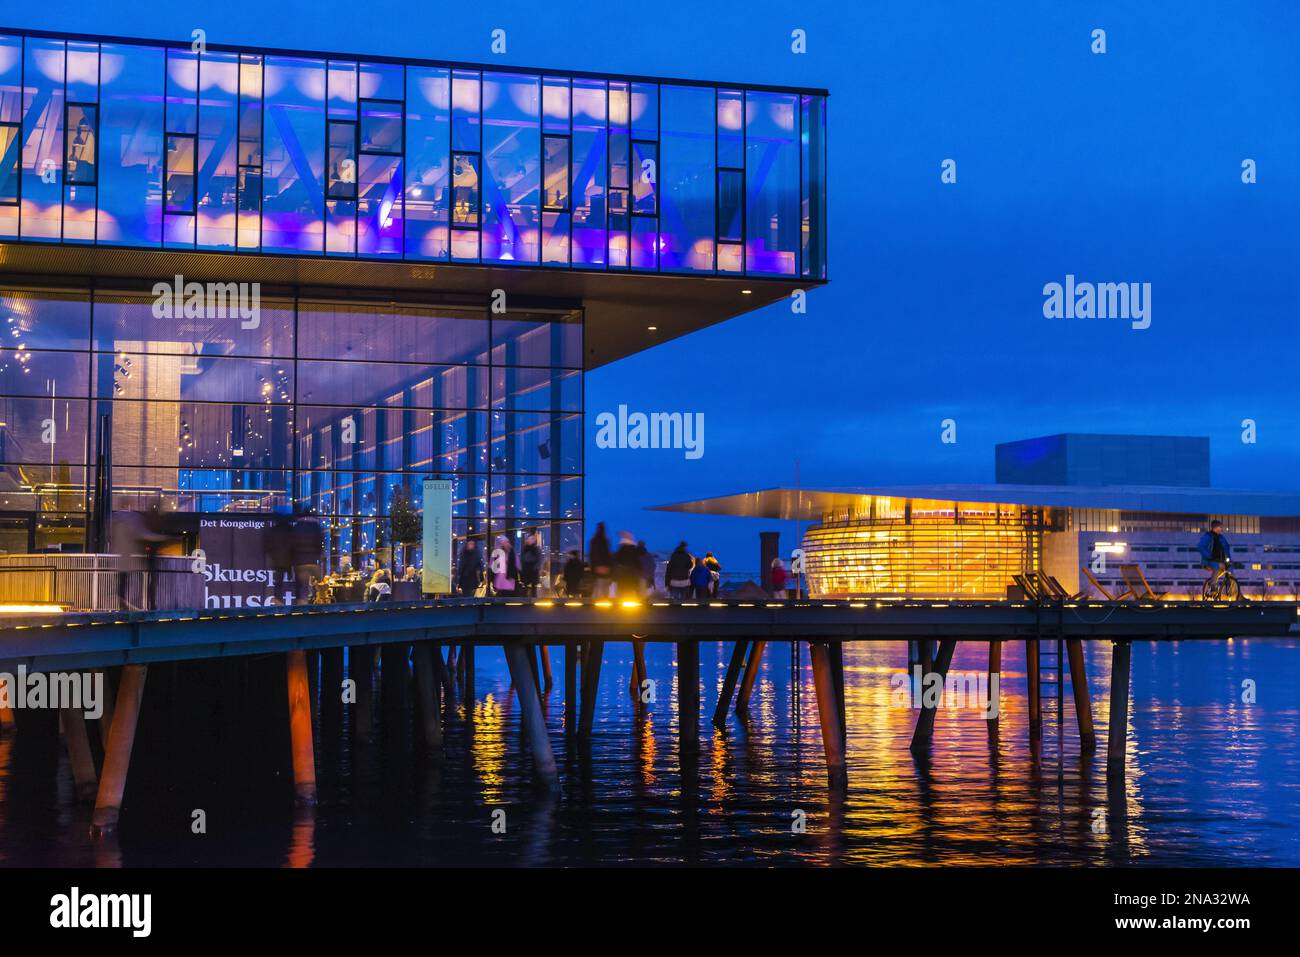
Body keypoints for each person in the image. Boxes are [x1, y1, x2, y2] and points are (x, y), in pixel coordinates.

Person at [1197, 519, 1233, 588]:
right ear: (1215, 528)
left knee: (1230, 568)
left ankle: (1236, 592)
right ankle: (1213, 586)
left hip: (1219, 560)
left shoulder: (1221, 538)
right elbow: (1200, 546)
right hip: (1208, 561)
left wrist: (1229, 559)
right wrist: (1209, 555)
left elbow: (1226, 548)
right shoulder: (1208, 536)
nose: (1221, 529)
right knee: (1216, 568)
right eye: (1220, 527)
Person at [611, 531, 642, 599]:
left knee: (622, 594)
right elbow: (638, 563)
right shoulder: (634, 550)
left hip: (622, 575)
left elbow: (615, 561)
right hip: (632, 575)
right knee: (630, 593)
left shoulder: (620, 550)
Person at [589, 522, 612, 597]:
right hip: (604, 567)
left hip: (598, 567)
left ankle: (598, 601)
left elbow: (593, 554)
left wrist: (595, 566)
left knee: (599, 586)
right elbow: (607, 554)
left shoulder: (594, 540)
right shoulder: (605, 540)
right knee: (604, 587)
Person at [519, 532, 543, 597]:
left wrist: (536, 568)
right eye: (529, 539)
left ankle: (533, 600)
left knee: (533, 587)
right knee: (525, 586)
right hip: (526, 569)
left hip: (533, 569)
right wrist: (521, 568)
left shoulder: (536, 548)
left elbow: (539, 559)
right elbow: (522, 558)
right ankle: (525, 600)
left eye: (532, 539)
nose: (530, 540)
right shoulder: (525, 548)